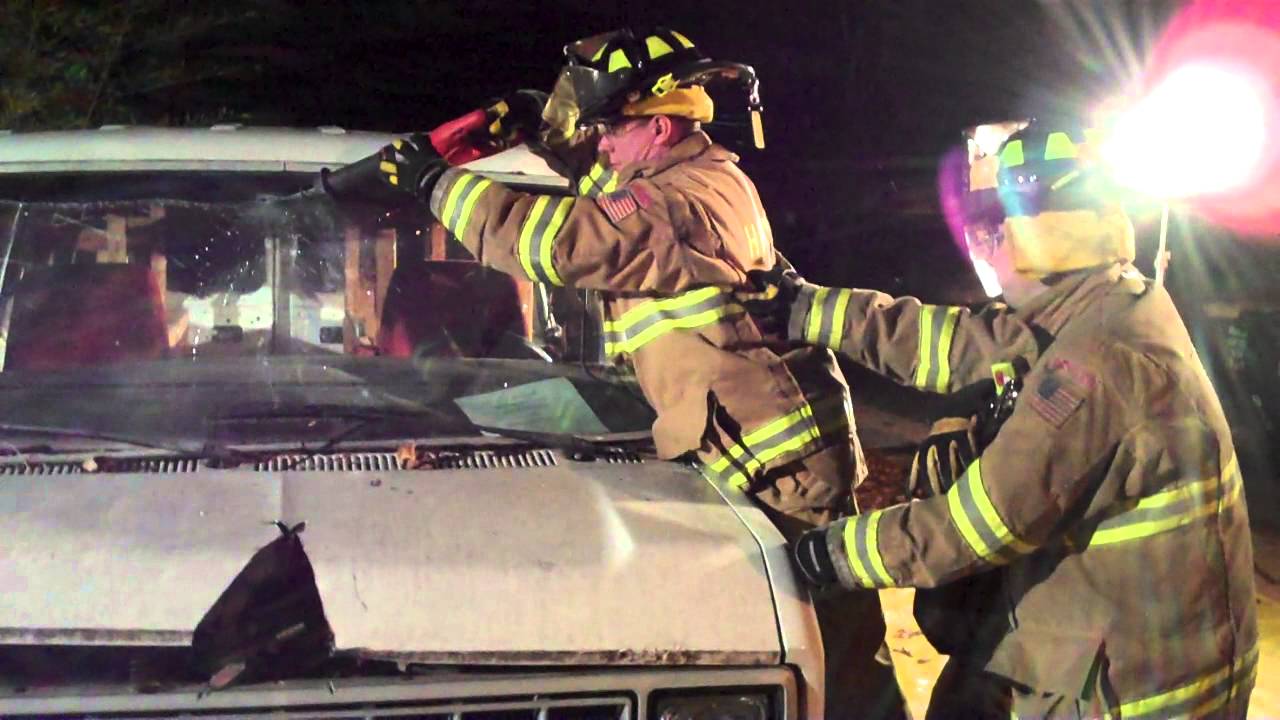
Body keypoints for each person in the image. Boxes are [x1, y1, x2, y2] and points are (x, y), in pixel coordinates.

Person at [340, 27, 906, 718]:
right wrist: (543, 125)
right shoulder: (674, 177)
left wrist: (436, 185)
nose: (600, 143)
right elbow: (600, 179)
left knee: (832, 677)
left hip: (778, 476)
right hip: (748, 458)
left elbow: (564, 239)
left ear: (659, 128)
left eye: (610, 129)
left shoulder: (686, 202)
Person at [758, 119, 1259, 717]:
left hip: (1130, 694)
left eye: (988, 232)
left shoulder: (1097, 365)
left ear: (1027, 235)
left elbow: (973, 526)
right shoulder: (1104, 302)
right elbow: (954, 342)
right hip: (1101, 648)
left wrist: (829, 553)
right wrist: (807, 308)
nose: (980, 250)